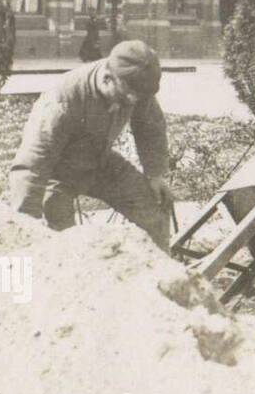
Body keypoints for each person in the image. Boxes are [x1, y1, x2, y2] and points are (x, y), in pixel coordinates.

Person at [10, 40, 173, 248]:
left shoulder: (134, 87)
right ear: (107, 79)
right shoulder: (62, 100)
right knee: (65, 244)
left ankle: (163, 276)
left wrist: (155, 175)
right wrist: (26, 227)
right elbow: (32, 163)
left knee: (152, 208)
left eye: (138, 98)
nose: (133, 103)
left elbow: (151, 127)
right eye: (126, 97)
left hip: (101, 162)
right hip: (58, 174)